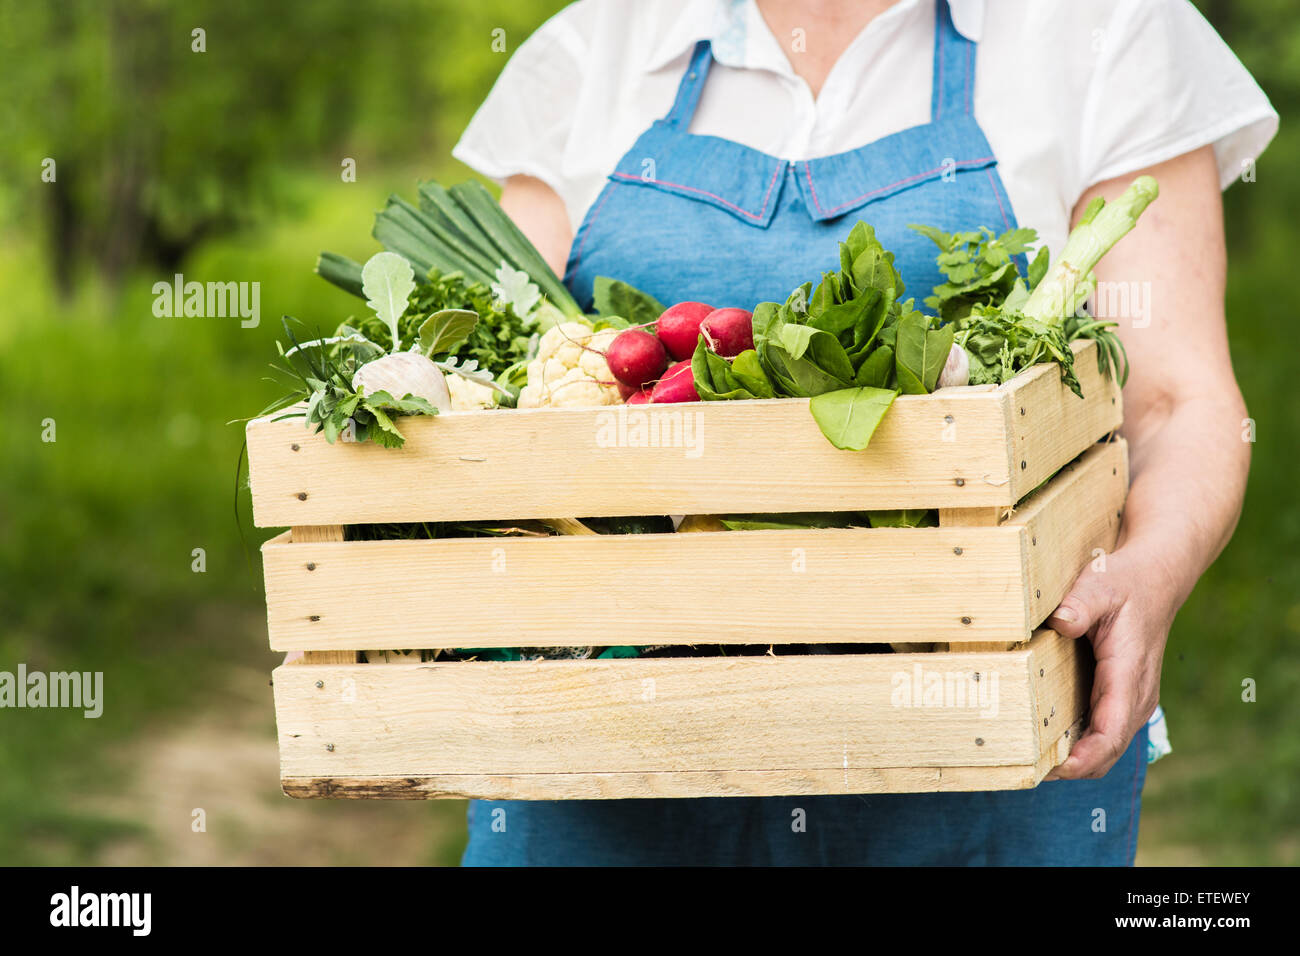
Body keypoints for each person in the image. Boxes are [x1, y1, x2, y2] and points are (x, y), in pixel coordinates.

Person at [451, 0, 1277, 865]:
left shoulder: (1106, 27)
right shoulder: (600, 43)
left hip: (983, 746)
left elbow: (1175, 402)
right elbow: (508, 365)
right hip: (602, 748)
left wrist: (1151, 572)